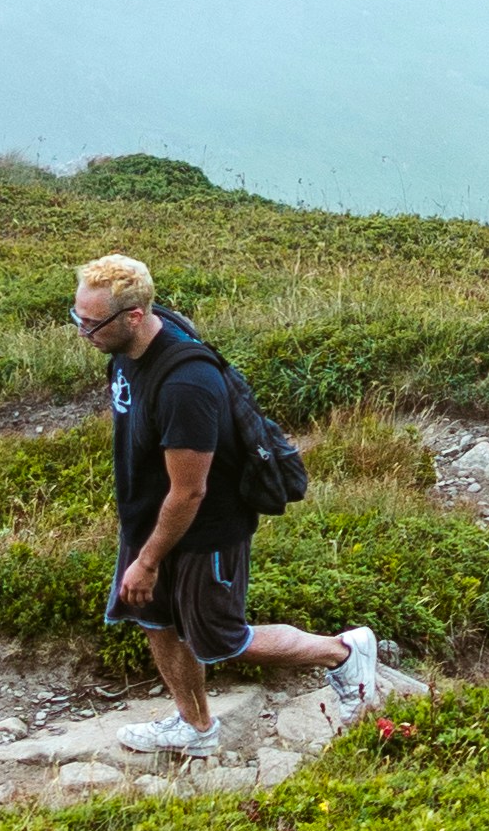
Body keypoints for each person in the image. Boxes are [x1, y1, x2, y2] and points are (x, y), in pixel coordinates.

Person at [70, 252, 384, 743]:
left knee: (222, 640)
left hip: (204, 531)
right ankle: (196, 728)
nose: (82, 331)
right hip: (147, 519)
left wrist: (149, 561)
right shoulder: (126, 348)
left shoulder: (186, 384)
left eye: (91, 323)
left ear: (134, 316)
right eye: (78, 317)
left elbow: (191, 490)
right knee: (154, 619)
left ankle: (344, 653)